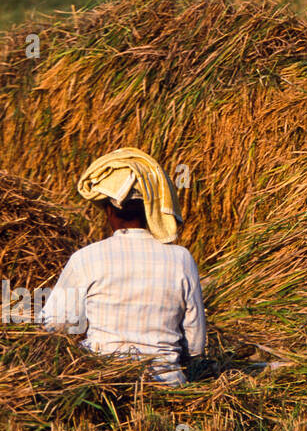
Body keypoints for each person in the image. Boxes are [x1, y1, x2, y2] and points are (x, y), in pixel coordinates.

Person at [41, 148, 205, 386]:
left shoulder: (87, 258)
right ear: (150, 210)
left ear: (108, 210)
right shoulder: (181, 258)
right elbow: (196, 342)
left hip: (102, 383)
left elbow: (54, 324)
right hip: (167, 384)